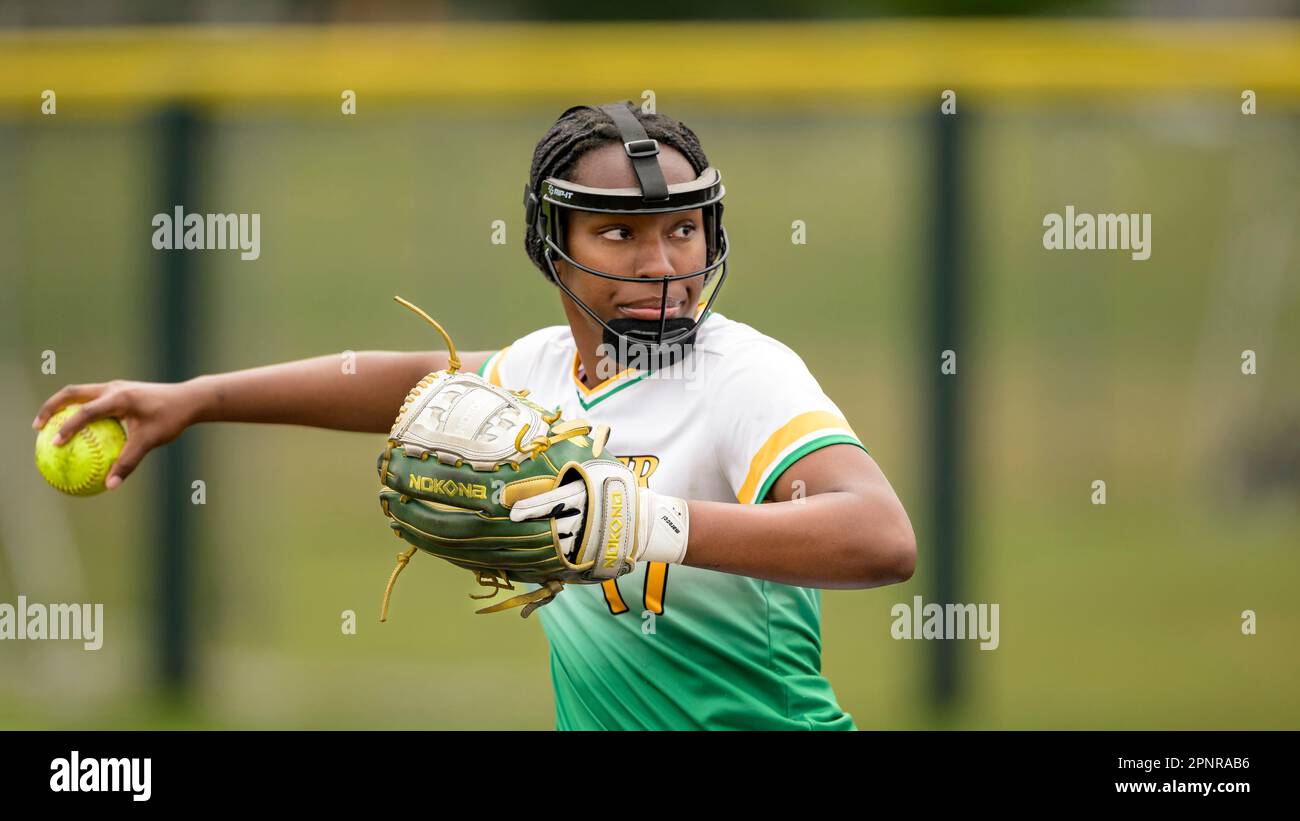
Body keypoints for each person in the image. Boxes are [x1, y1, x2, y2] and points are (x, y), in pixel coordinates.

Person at [33, 101, 916, 730]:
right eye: (621, 235)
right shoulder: (538, 370)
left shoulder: (744, 374)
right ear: (551, 247)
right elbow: (394, 381)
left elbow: (880, 537)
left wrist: (650, 522)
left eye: (683, 230)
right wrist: (195, 398)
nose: (662, 263)